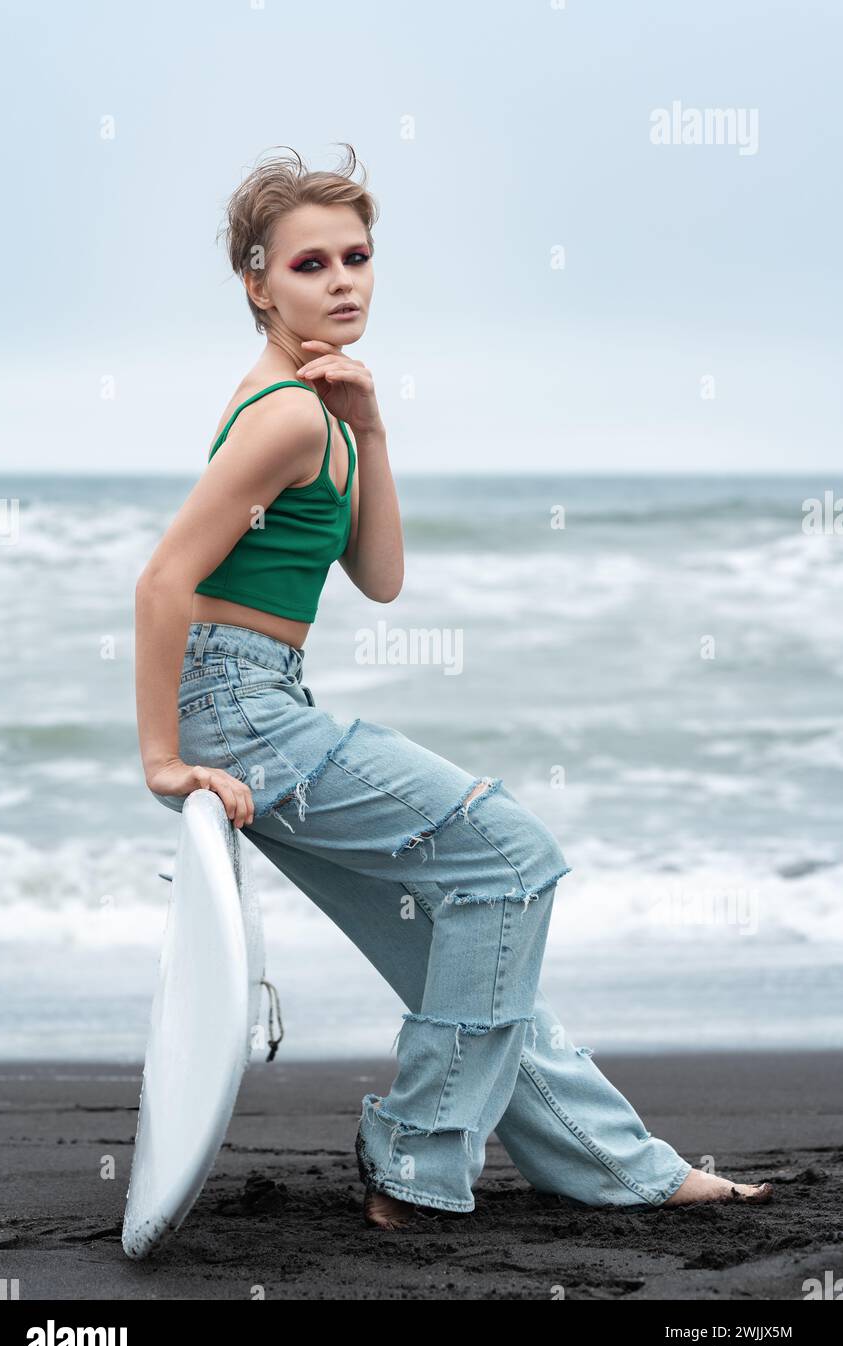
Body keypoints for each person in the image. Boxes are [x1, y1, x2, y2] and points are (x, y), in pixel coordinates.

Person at [134, 144, 772, 1229]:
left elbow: (379, 578)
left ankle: (621, 1164)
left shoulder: (327, 414)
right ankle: (416, 1160)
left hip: (269, 700)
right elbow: (161, 582)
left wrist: (374, 430)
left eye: (358, 257)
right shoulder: (284, 414)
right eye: (309, 265)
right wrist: (162, 758)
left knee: (461, 943)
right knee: (512, 857)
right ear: (256, 283)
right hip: (241, 709)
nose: (342, 281)